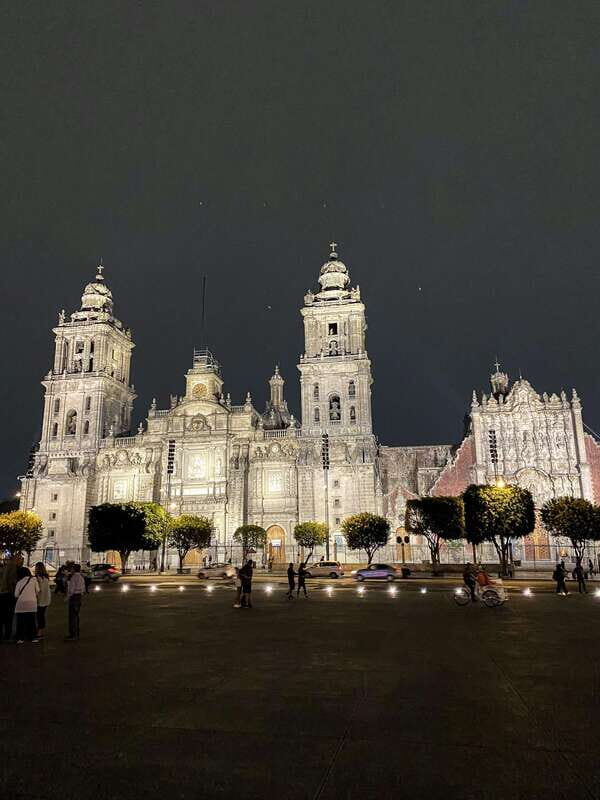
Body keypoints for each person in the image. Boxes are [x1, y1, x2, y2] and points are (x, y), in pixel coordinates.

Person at [0, 553, 23, 641]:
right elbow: (12, 582)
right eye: (20, 559)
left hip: (2, 594)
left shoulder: (5, 567)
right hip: (8, 595)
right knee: (8, 617)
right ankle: (7, 636)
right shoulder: (12, 567)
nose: (21, 561)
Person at [14, 566, 40, 643]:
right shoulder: (34, 580)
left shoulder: (19, 582)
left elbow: (16, 594)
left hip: (21, 604)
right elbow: (38, 590)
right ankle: (33, 637)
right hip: (32, 604)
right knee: (31, 621)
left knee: (20, 622)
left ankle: (20, 638)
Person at [66, 564, 86, 640]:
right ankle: (76, 634)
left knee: (72, 617)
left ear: (74, 569)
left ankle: (73, 635)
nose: (70, 570)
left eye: (71, 569)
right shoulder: (81, 577)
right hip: (79, 596)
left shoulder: (74, 577)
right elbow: (83, 588)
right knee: (76, 616)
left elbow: (71, 589)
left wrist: (67, 597)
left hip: (74, 597)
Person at [34, 562, 52, 638]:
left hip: (40, 599)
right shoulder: (46, 576)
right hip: (46, 598)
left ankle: (39, 632)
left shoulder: (37, 577)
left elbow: (38, 589)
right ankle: (40, 631)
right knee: (41, 615)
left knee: (39, 616)